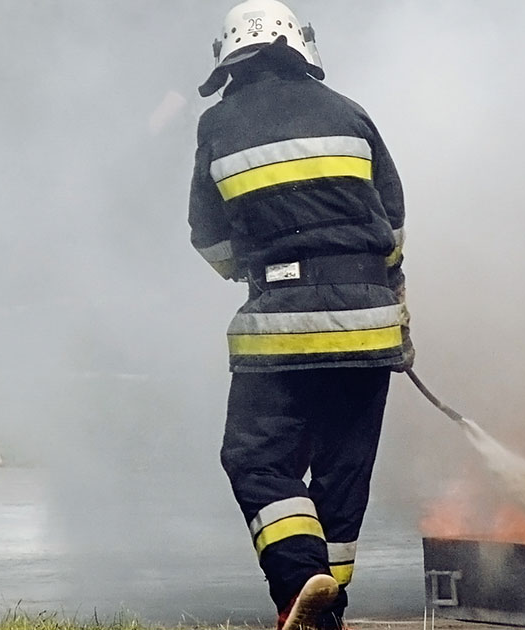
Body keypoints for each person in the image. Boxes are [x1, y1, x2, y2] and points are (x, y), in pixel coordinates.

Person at [187, 2, 412, 628]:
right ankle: (325, 611)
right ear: (298, 46)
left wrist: (253, 268)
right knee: (342, 472)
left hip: (280, 321)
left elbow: (208, 237)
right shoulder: (348, 111)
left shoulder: (219, 124)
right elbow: (392, 222)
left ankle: (299, 581)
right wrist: (385, 289)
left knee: (257, 460)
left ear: (229, 59)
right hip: (371, 322)